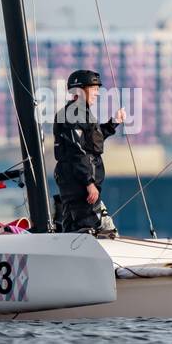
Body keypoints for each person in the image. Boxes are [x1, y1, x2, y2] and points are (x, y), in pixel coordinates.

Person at [52, 69, 127, 235]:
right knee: (92, 228)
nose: (97, 94)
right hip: (79, 186)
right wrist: (88, 183)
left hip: (81, 184)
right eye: (93, 89)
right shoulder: (72, 114)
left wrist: (113, 123)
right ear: (80, 90)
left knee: (77, 228)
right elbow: (76, 151)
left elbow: (92, 143)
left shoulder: (81, 113)